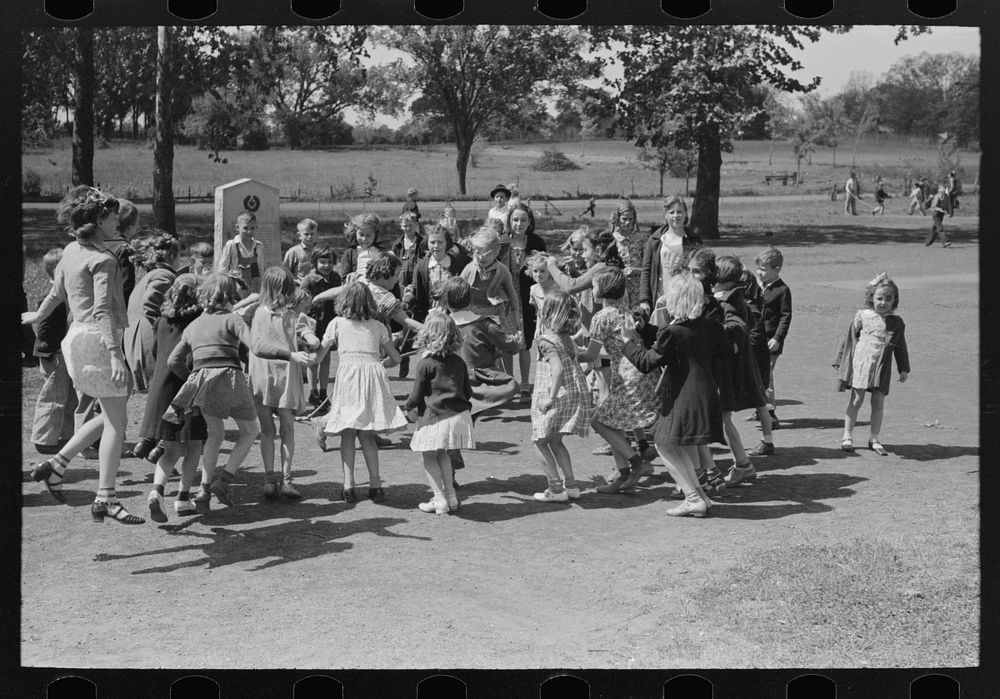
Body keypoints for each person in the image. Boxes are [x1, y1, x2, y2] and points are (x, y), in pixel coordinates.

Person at [22, 186, 142, 524]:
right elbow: (102, 310)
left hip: (75, 339)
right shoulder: (104, 259)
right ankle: (106, 498)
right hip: (98, 340)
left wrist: (38, 315)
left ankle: (57, 464)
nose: (117, 221)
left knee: (112, 412)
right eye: (113, 217)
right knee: (117, 423)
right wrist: (115, 354)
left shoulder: (72, 250)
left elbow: (56, 291)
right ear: (99, 221)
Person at [621, 272, 730, 518]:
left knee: (663, 444)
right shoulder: (710, 325)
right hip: (706, 392)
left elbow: (646, 362)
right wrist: (646, 329)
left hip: (684, 395)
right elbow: (693, 343)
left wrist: (627, 341)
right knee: (672, 443)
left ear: (676, 300)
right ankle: (699, 496)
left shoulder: (673, 331)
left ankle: (693, 497)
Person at [166, 273, 261, 511]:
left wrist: (193, 376)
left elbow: (173, 361)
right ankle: (224, 481)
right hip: (230, 379)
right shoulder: (232, 319)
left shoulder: (194, 325)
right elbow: (255, 346)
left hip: (204, 382)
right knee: (250, 431)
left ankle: (204, 489)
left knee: (215, 434)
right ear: (229, 295)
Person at [316, 282, 407, 503]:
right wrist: (379, 363)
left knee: (348, 433)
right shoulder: (378, 326)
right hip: (372, 379)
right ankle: (376, 485)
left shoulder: (336, 323)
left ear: (343, 301)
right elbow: (396, 358)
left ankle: (348, 485)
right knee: (366, 434)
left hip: (349, 380)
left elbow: (319, 355)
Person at [578, 269, 659, 494]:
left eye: (594, 285)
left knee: (598, 421)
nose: (592, 289)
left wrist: (568, 352)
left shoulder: (601, 317)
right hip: (640, 372)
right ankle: (623, 476)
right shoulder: (625, 310)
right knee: (614, 423)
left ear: (603, 290)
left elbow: (591, 354)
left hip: (627, 376)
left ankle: (637, 463)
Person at [247, 267, 319, 501]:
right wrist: (293, 354)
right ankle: (274, 480)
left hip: (275, 377)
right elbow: (258, 346)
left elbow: (304, 332)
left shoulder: (289, 315)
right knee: (275, 430)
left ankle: (282, 480)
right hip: (271, 376)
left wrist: (311, 341)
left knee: (280, 429)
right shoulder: (260, 313)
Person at [141, 274, 205, 521]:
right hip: (185, 390)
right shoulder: (197, 323)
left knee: (170, 449)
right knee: (194, 444)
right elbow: (189, 359)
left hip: (159, 390)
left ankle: (157, 490)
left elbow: (157, 353)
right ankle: (183, 498)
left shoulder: (160, 321)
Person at [404, 311, 475, 515]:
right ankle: (451, 496)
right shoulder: (459, 362)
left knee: (429, 456)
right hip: (459, 415)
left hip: (436, 416)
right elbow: (468, 391)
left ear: (428, 334)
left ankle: (439, 499)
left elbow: (416, 396)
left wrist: (407, 407)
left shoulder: (425, 364)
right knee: (443, 453)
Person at [834, 273, 909, 456]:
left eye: (888, 299)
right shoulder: (863, 316)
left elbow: (901, 347)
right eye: (879, 298)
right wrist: (840, 360)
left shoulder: (897, 323)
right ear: (871, 297)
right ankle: (847, 435)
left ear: (894, 301)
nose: (883, 302)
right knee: (856, 400)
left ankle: (874, 438)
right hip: (861, 364)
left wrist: (903, 368)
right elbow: (849, 339)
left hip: (881, 367)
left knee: (878, 402)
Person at [530, 290, 591, 503]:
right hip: (573, 393)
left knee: (539, 440)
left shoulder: (547, 340)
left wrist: (550, 398)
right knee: (556, 441)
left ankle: (556, 488)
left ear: (546, 312)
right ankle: (571, 485)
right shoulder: (566, 338)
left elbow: (556, 370)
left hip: (556, 394)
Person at [713, 256, 769, 487]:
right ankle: (741, 464)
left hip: (728, 370)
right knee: (723, 419)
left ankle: (743, 465)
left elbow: (738, 329)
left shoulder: (729, 301)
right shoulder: (735, 297)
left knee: (723, 419)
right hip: (731, 368)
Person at [30, 248, 78, 455]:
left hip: (62, 354)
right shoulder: (51, 298)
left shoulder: (64, 296)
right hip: (55, 354)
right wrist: (53, 348)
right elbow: (44, 329)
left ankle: (66, 435)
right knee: (53, 397)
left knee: (68, 397)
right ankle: (44, 440)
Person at [124, 232, 180, 398]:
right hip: (149, 339)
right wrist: (169, 332)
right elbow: (150, 303)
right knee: (163, 391)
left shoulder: (149, 276)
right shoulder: (163, 275)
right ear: (172, 255)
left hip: (137, 338)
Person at [500, 202, 547, 399]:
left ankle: (525, 384)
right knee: (506, 343)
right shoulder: (502, 242)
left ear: (530, 222)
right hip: (505, 299)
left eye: (523, 220)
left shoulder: (536, 243)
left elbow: (544, 270)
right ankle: (509, 384)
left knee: (525, 343)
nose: (519, 224)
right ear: (509, 221)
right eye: (515, 220)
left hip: (528, 299)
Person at [460, 227, 521, 375]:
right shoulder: (469, 268)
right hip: (474, 314)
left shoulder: (502, 270)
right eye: (477, 251)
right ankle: (486, 376)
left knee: (504, 346)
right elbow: (457, 289)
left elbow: (512, 295)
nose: (480, 256)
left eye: (484, 252)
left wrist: (517, 317)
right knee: (482, 348)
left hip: (496, 314)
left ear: (495, 252)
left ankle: (508, 377)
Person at [638, 194, 702, 318]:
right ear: (665, 215)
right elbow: (646, 271)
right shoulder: (655, 240)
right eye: (671, 212)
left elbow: (700, 270)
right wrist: (644, 300)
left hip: (684, 299)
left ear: (686, 214)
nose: (676, 216)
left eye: (679, 212)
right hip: (660, 297)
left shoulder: (693, 240)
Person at [754, 247, 792, 430]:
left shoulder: (782, 290)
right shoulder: (757, 286)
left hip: (771, 341)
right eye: (758, 268)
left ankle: (770, 414)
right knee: (757, 374)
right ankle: (759, 409)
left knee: (767, 376)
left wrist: (778, 338)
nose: (759, 273)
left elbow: (786, 316)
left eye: (763, 269)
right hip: (756, 338)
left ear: (776, 270)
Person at [300, 245, 341, 410]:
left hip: (329, 321)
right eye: (322, 262)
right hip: (314, 322)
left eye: (330, 262)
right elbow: (303, 301)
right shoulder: (309, 280)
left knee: (326, 359)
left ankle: (323, 392)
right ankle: (313, 392)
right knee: (313, 359)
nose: (326, 265)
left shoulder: (336, 278)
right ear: (315, 262)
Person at [390, 211, 426, 378]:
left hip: (418, 284)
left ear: (416, 225)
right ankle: (403, 354)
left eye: (410, 225)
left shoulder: (422, 242)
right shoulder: (397, 244)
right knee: (403, 319)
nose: (407, 228)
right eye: (404, 225)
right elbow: (392, 264)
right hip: (400, 285)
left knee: (416, 320)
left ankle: (408, 352)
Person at [608, 196, 645, 309]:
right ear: (617, 218)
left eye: (631, 219)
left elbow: (649, 267)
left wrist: (637, 271)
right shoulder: (611, 240)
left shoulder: (641, 239)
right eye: (624, 219)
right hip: (618, 287)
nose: (628, 222)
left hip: (639, 289)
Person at [218, 211, 264, 295]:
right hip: (236, 291)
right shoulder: (231, 245)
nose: (249, 232)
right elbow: (222, 270)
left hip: (255, 291)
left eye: (252, 228)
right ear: (237, 227)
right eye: (245, 228)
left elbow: (260, 269)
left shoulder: (258, 246)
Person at [104, 198, 140, 305]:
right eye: (137, 224)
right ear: (130, 227)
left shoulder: (95, 242)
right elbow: (126, 288)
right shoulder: (125, 250)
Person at [338, 212, 383, 285]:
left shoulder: (381, 252)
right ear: (355, 232)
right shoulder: (350, 253)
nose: (364, 239)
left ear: (375, 235)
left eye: (368, 235)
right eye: (361, 235)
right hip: (357, 289)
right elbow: (344, 279)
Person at [282, 218, 318, 282]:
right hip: (300, 286)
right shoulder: (293, 252)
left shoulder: (321, 250)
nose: (309, 237)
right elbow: (286, 274)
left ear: (316, 234)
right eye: (306, 234)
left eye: (312, 234)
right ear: (299, 235)